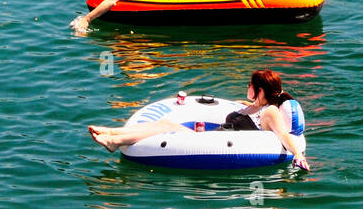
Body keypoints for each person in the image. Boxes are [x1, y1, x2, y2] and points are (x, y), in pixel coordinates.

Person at [88, 68, 309, 170]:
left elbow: (282, 134)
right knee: (165, 124)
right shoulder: (250, 105)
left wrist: (298, 155)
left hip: (216, 143)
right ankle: (114, 134)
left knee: (166, 125)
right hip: (213, 136)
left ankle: (114, 139)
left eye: (250, 85)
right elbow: (238, 110)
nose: (247, 88)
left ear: (259, 89)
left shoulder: (270, 112)